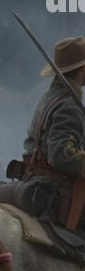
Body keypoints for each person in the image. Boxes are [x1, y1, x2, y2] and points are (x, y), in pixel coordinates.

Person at [17, 36, 85, 229]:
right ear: (81, 70)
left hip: (36, 177)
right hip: (55, 186)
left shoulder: (50, 96)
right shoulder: (69, 105)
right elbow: (61, 155)